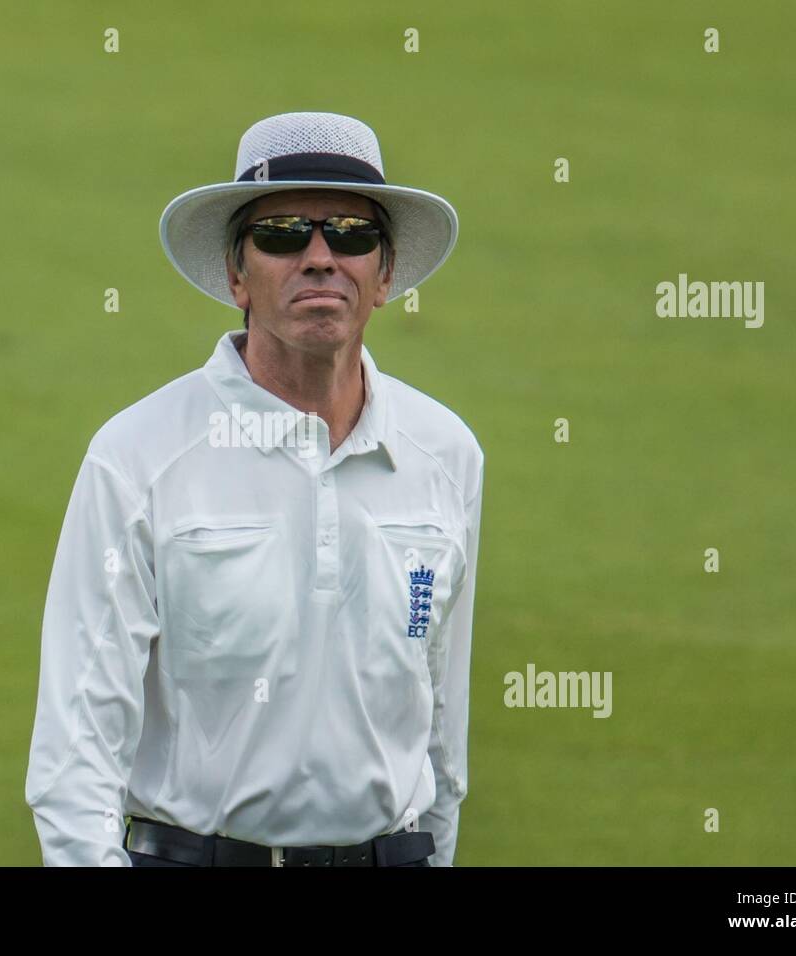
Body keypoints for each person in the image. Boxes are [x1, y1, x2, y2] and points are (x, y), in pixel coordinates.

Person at [25, 111, 483, 866]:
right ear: (236, 274)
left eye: (351, 235)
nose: (320, 258)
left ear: (385, 274)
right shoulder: (138, 456)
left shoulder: (446, 454)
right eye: (282, 234)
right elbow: (76, 752)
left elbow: (440, 724)